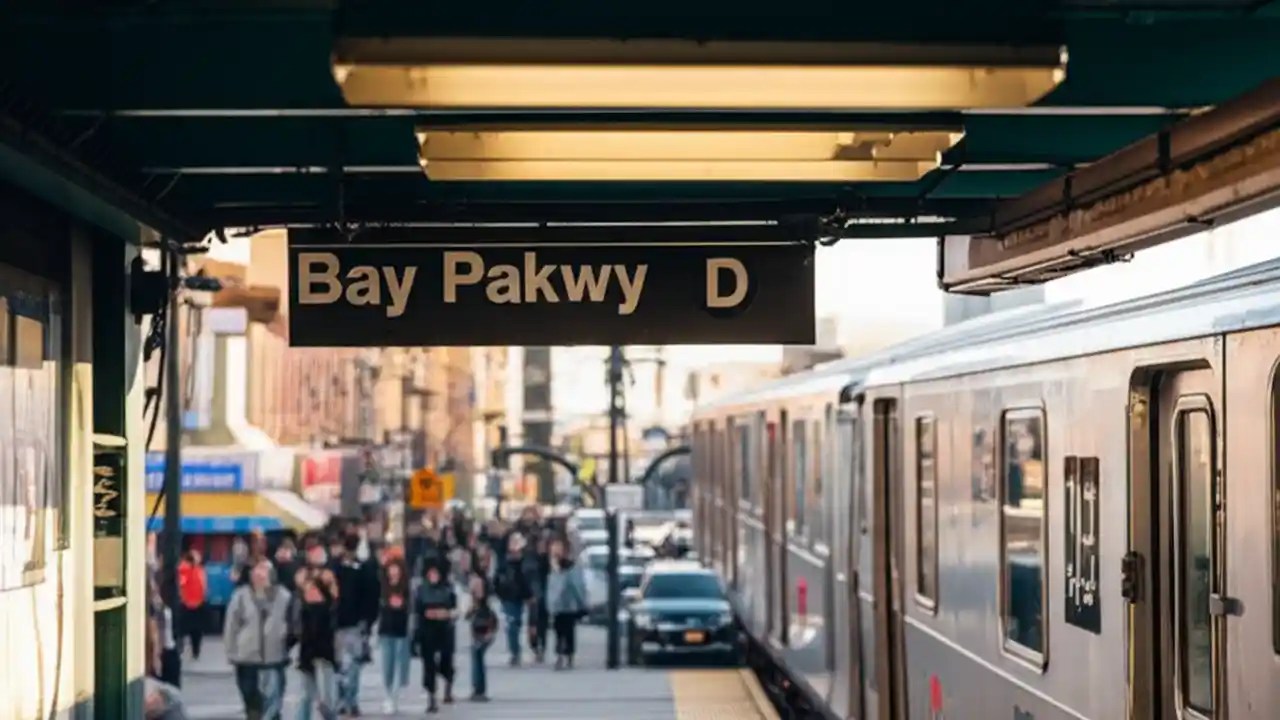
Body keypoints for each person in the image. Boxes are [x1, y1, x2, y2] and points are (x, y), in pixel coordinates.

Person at [224, 559, 293, 720]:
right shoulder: (240, 596)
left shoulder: (283, 596)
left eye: (264, 572)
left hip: (274, 656)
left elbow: (292, 622)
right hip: (246, 656)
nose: (260, 576)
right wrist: (231, 651)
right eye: (257, 572)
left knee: (273, 701)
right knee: (250, 698)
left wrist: (287, 641)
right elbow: (231, 625)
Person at [329, 532, 379, 717]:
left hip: (353, 623)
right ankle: (346, 699)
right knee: (343, 666)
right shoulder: (337, 568)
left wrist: (368, 620)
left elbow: (371, 595)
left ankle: (350, 700)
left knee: (351, 665)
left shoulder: (360, 568)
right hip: (343, 623)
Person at [295, 570, 339, 720]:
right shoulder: (303, 610)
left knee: (326, 700)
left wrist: (331, 584)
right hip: (307, 658)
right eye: (307, 591)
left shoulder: (328, 609)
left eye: (313, 590)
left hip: (324, 657)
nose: (310, 594)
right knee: (305, 696)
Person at [415, 564, 457, 713]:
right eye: (431, 573)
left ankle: (448, 687)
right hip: (427, 631)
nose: (433, 576)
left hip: (445, 630)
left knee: (446, 662)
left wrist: (444, 614)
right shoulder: (421, 590)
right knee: (429, 666)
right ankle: (431, 697)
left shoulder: (447, 589)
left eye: (436, 573)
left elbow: (454, 609)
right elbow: (417, 611)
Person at [377, 553, 412, 714]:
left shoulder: (406, 587)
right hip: (386, 629)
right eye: (391, 569)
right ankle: (387, 694)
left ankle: (394, 697)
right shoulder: (383, 587)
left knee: (400, 663)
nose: (393, 572)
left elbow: (410, 608)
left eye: (396, 568)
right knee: (387, 665)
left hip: (401, 629)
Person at [546, 538, 588, 670]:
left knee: (568, 630)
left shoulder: (570, 566)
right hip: (557, 605)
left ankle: (568, 654)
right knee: (558, 631)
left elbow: (576, 585)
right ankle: (560, 655)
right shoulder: (551, 566)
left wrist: (581, 603)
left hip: (569, 604)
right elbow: (551, 587)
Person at [493, 533, 532, 665]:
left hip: (520, 596)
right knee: (512, 624)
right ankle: (514, 652)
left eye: (517, 542)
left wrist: (529, 595)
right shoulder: (503, 560)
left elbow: (526, 579)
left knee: (518, 622)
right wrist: (499, 592)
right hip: (507, 596)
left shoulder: (525, 559)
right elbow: (497, 578)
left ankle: (518, 649)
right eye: (512, 542)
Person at [464, 575, 498, 702]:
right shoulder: (474, 604)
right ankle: (478, 688)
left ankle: (479, 688)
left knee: (477, 656)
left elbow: (491, 620)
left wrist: (490, 633)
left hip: (483, 633)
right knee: (477, 658)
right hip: (477, 633)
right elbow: (467, 616)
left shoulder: (485, 607)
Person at [177, 549, 208, 660]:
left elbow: (203, 585)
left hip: (197, 603)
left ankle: (195, 651)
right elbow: (181, 584)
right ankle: (181, 649)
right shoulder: (185, 569)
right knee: (183, 629)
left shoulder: (199, 570)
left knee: (196, 631)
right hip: (187, 603)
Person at [524, 534, 550, 663]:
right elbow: (527, 576)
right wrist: (529, 594)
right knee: (533, 621)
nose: (543, 547)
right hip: (534, 594)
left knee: (543, 623)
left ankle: (542, 647)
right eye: (541, 545)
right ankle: (535, 645)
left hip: (545, 594)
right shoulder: (531, 559)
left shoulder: (548, 559)